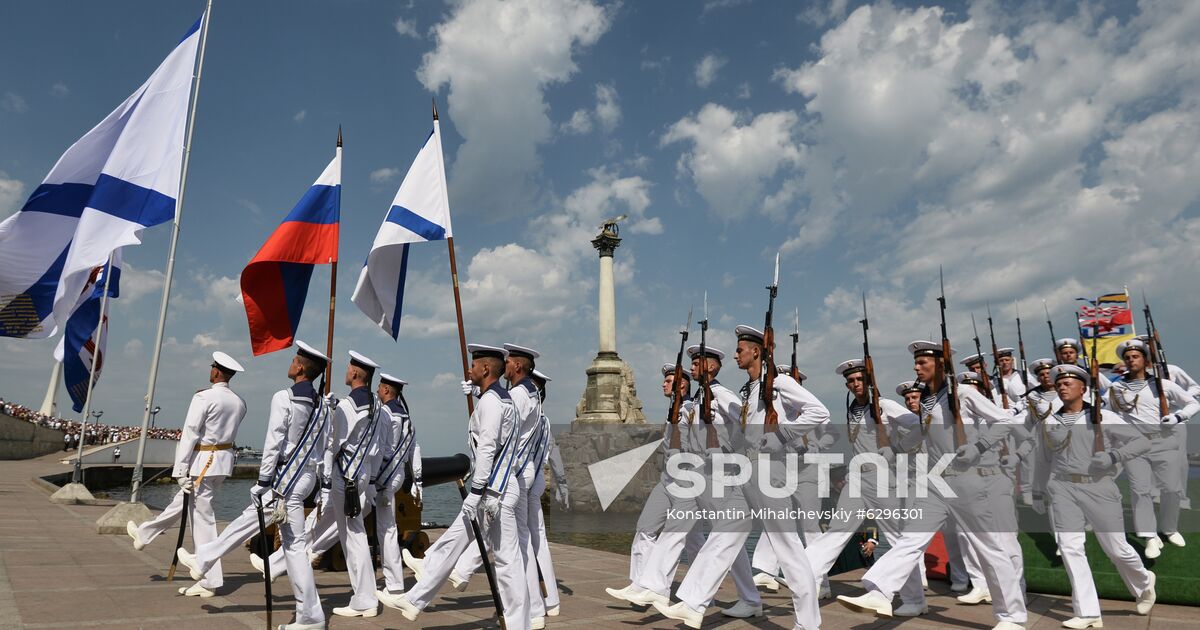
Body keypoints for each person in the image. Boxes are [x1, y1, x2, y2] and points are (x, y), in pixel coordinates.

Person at [838, 340, 1028, 630]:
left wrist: (978, 447)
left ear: (940, 363)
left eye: (922, 362)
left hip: (966, 480)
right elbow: (922, 435)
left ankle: (1012, 616)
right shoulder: (928, 399)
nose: (916, 367)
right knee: (911, 539)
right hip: (935, 482)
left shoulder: (962, 393)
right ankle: (880, 592)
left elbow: (1004, 421)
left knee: (990, 548)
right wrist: (896, 448)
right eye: (916, 362)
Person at [177, 341, 329, 629]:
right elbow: (322, 450)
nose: (291, 363)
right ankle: (311, 616)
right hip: (305, 478)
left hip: (284, 479)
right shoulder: (322, 405)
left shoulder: (284, 398)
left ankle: (205, 559)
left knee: (253, 522)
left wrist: (263, 480)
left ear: (299, 367)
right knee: (294, 547)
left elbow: (273, 444)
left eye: (294, 359)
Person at [386, 344, 531, 630]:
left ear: (486, 369)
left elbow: (488, 448)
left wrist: (476, 492)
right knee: (460, 544)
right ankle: (415, 598)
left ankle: (518, 625)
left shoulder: (491, 402)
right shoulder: (501, 399)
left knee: (507, 564)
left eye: (474, 365)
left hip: (493, 491)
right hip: (498, 488)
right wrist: (478, 394)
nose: (469, 370)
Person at [1031, 364, 1156, 629]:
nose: (1062, 387)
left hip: (1099, 487)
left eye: (1068, 383)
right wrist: (1038, 491)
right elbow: (1042, 460)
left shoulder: (1102, 417)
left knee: (1116, 549)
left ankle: (1144, 582)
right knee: (1069, 547)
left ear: (1083, 389)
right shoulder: (1050, 421)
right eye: (1059, 383)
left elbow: (1142, 442)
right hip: (1063, 488)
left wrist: (1114, 456)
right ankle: (1088, 612)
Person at [804, 359, 926, 616]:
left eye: (860, 379)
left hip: (883, 478)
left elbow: (918, 425)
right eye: (851, 381)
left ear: (869, 381)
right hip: (857, 478)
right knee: (838, 530)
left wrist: (897, 449)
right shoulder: (853, 410)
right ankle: (804, 574)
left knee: (897, 538)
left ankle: (915, 599)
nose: (856, 384)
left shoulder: (885, 406)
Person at [127, 351, 247, 598]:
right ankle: (145, 533)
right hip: (222, 463)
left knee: (203, 519)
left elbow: (190, 433)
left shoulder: (203, 397)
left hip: (203, 462)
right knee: (184, 502)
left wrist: (180, 469)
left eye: (212, 367)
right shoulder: (239, 402)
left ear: (216, 371)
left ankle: (209, 580)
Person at [1108, 338, 1198, 559]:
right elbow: (1101, 409)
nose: (1131, 360)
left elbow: (1193, 403)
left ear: (1145, 360)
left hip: (1164, 443)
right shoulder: (1116, 387)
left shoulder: (1162, 384)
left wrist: (1178, 416)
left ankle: (1169, 528)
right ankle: (1149, 536)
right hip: (1134, 446)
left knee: (1172, 488)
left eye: (1135, 356)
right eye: (1127, 358)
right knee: (1140, 491)